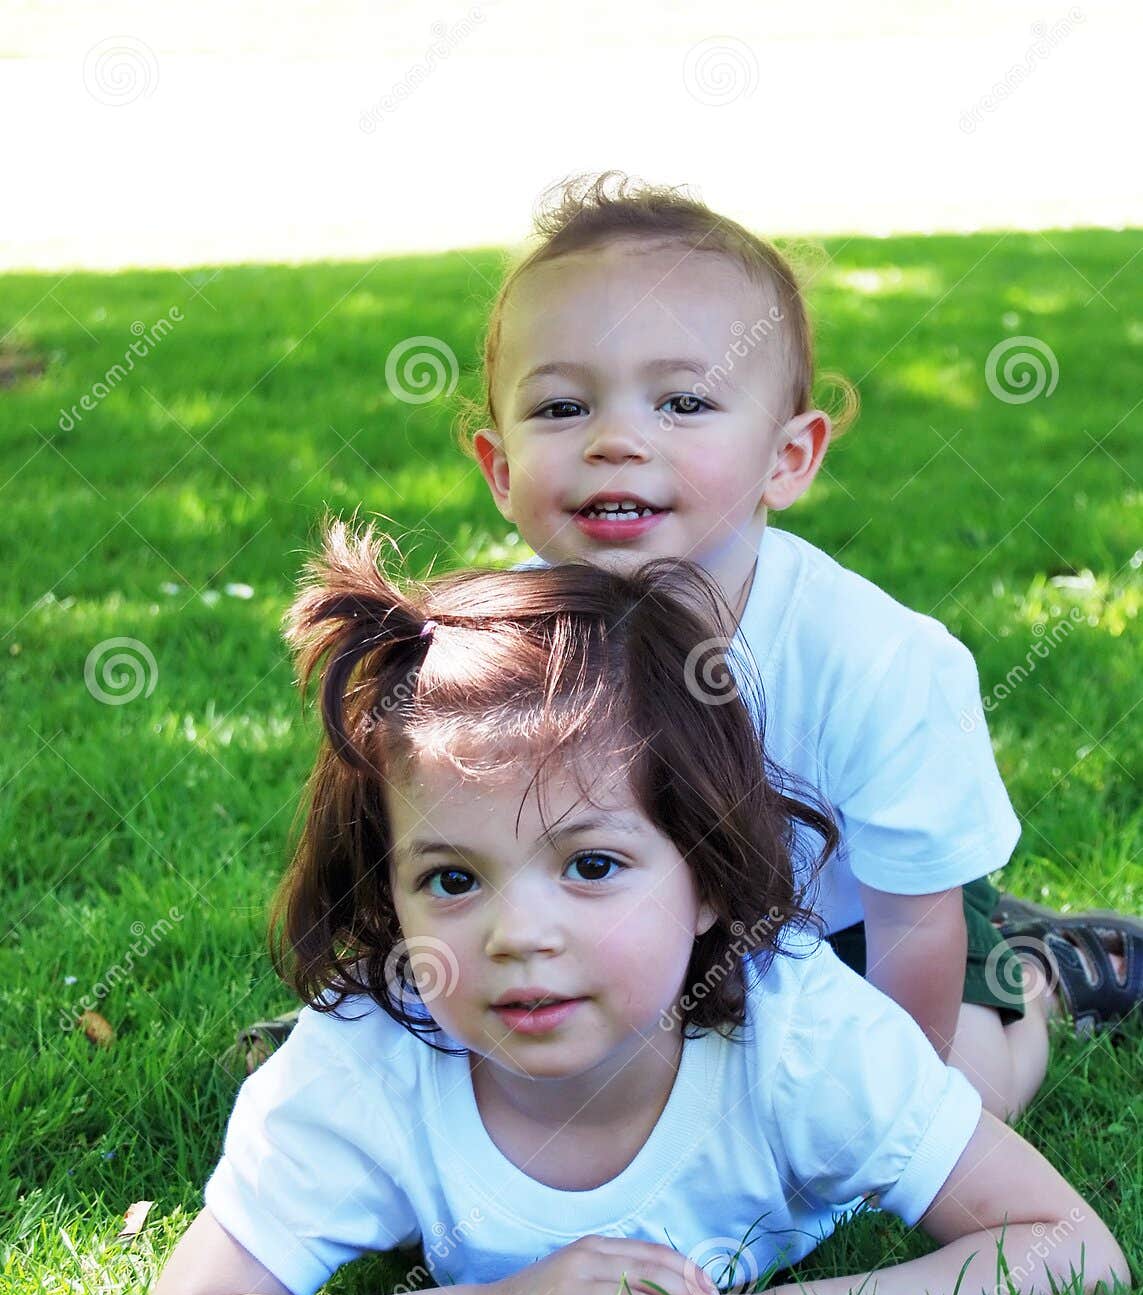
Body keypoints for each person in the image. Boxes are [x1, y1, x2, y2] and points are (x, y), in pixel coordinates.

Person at [124, 531, 1128, 1295]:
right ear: (387, 894)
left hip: (829, 1026)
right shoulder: (363, 1066)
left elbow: (1067, 1249)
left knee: (978, 1077)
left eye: (591, 864)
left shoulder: (803, 1037)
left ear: (708, 879)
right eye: (451, 879)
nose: (518, 934)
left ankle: (1034, 970)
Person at [456, 170, 1143, 1121]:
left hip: (868, 930)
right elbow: (446, 853)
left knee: (966, 1102)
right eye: (561, 408)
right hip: (644, 942)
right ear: (498, 467)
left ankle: (1039, 975)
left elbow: (914, 929)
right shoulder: (483, 658)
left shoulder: (873, 660)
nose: (615, 439)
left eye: (682, 404)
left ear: (788, 458)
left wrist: (893, 1114)